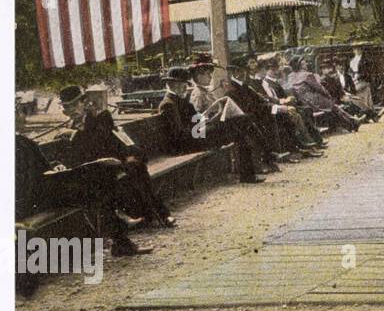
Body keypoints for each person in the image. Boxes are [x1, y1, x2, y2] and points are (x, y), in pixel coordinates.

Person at [15, 106, 150, 256]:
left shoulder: (21, 140)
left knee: (99, 180)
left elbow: (41, 168)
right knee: (97, 182)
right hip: (31, 199)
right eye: (19, 112)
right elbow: (23, 182)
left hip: (42, 189)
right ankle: (119, 237)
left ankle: (119, 240)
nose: (24, 116)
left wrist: (56, 167)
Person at [54, 85, 174, 227]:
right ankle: (130, 217)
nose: (71, 110)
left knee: (136, 168)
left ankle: (161, 214)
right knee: (115, 177)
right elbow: (75, 155)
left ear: (83, 103)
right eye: (67, 107)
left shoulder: (101, 117)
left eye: (74, 105)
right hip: (96, 168)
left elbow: (102, 140)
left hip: (115, 160)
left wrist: (74, 135)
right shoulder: (69, 128)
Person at [157, 66, 264, 183]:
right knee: (239, 126)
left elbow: (195, 121)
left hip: (196, 137)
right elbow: (179, 134)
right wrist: (210, 124)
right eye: (184, 84)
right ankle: (253, 169)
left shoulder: (179, 100)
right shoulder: (168, 104)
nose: (186, 88)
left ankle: (249, 173)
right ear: (174, 84)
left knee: (240, 122)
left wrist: (211, 118)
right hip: (186, 144)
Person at [188, 57, 279, 171]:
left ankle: (256, 166)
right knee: (243, 124)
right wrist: (217, 116)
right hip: (206, 134)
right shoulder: (197, 94)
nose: (211, 78)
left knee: (242, 128)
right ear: (198, 76)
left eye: (211, 74)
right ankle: (265, 157)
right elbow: (197, 123)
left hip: (214, 128)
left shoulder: (207, 91)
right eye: (207, 75)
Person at [257, 59, 328, 149]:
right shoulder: (267, 82)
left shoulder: (275, 81)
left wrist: (289, 99)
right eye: (277, 68)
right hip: (278, 108)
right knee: (300, 113)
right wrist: (285, 100)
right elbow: (272, 98)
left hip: (284, 104)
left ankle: (316, 141)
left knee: (306, 109)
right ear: (271, 70)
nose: (279, 70)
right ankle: (310, 143)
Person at [287, 56, 360, 132]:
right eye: (304, 62)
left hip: (302, 102)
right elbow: (320, 89)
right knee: (333, 106)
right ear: (300, 65)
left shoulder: (290, 76)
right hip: (313, 102)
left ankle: (352, 122)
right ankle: (353, 122)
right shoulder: (307, 75)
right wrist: (328, 95)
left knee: (332, 107)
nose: (306, 64)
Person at [323, 56, 380, 122]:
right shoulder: (334, 77)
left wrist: (350, 94)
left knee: (357, 99)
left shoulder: (348, 76)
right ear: (336, 67)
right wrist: (344, 95)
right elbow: (335, 91)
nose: (341, 67)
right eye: (339, 65)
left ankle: (372, 115)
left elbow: (353, 89)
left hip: (347, 95)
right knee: (354, 100)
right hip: (340, 97)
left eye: (343, 66)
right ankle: (372, 116)